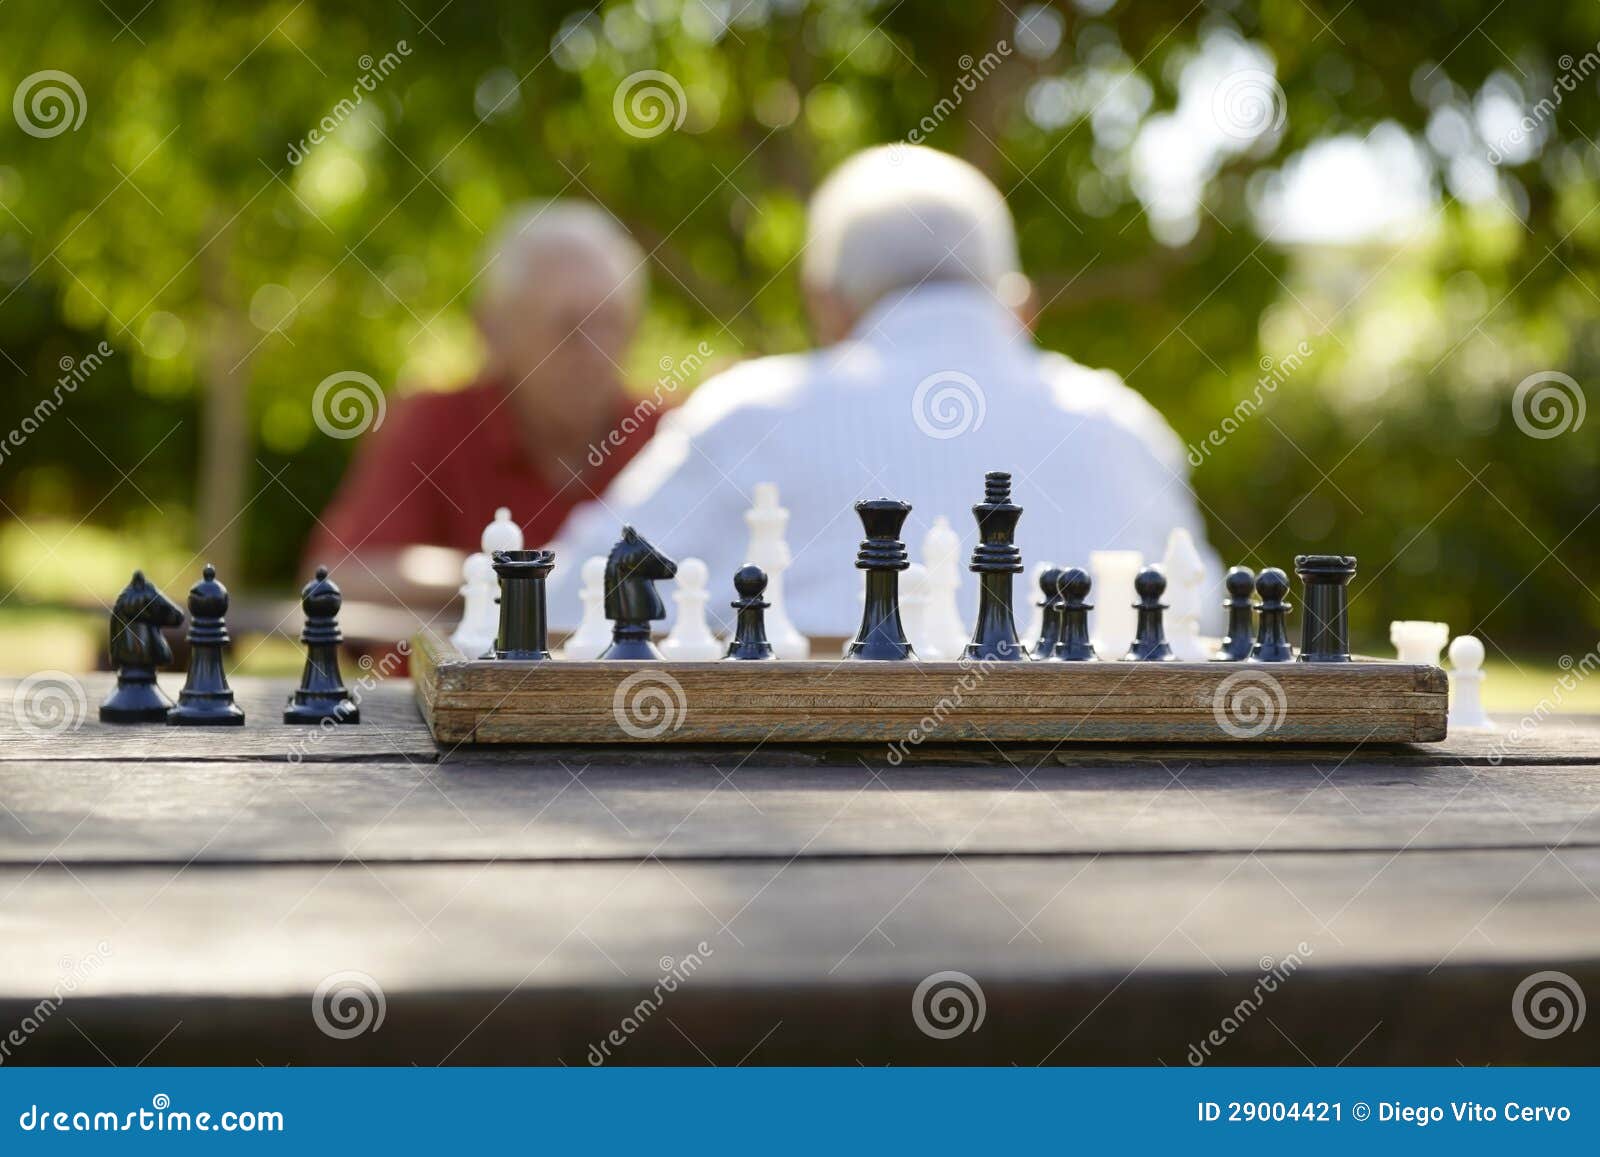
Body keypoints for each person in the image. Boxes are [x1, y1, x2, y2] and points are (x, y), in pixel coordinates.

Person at [549, 145, 1220, 636]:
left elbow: (557, 602)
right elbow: (1210, 620)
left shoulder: (750, 415)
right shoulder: (1126, 427)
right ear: (1023, 306)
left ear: (826, 305)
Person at [306, 200, 665, 607]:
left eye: (611, 323)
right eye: (568, 328)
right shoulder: (432, 425)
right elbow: (339, 574)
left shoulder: (672, 436)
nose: (596, 351)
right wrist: (521, 580)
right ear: (492, 331)